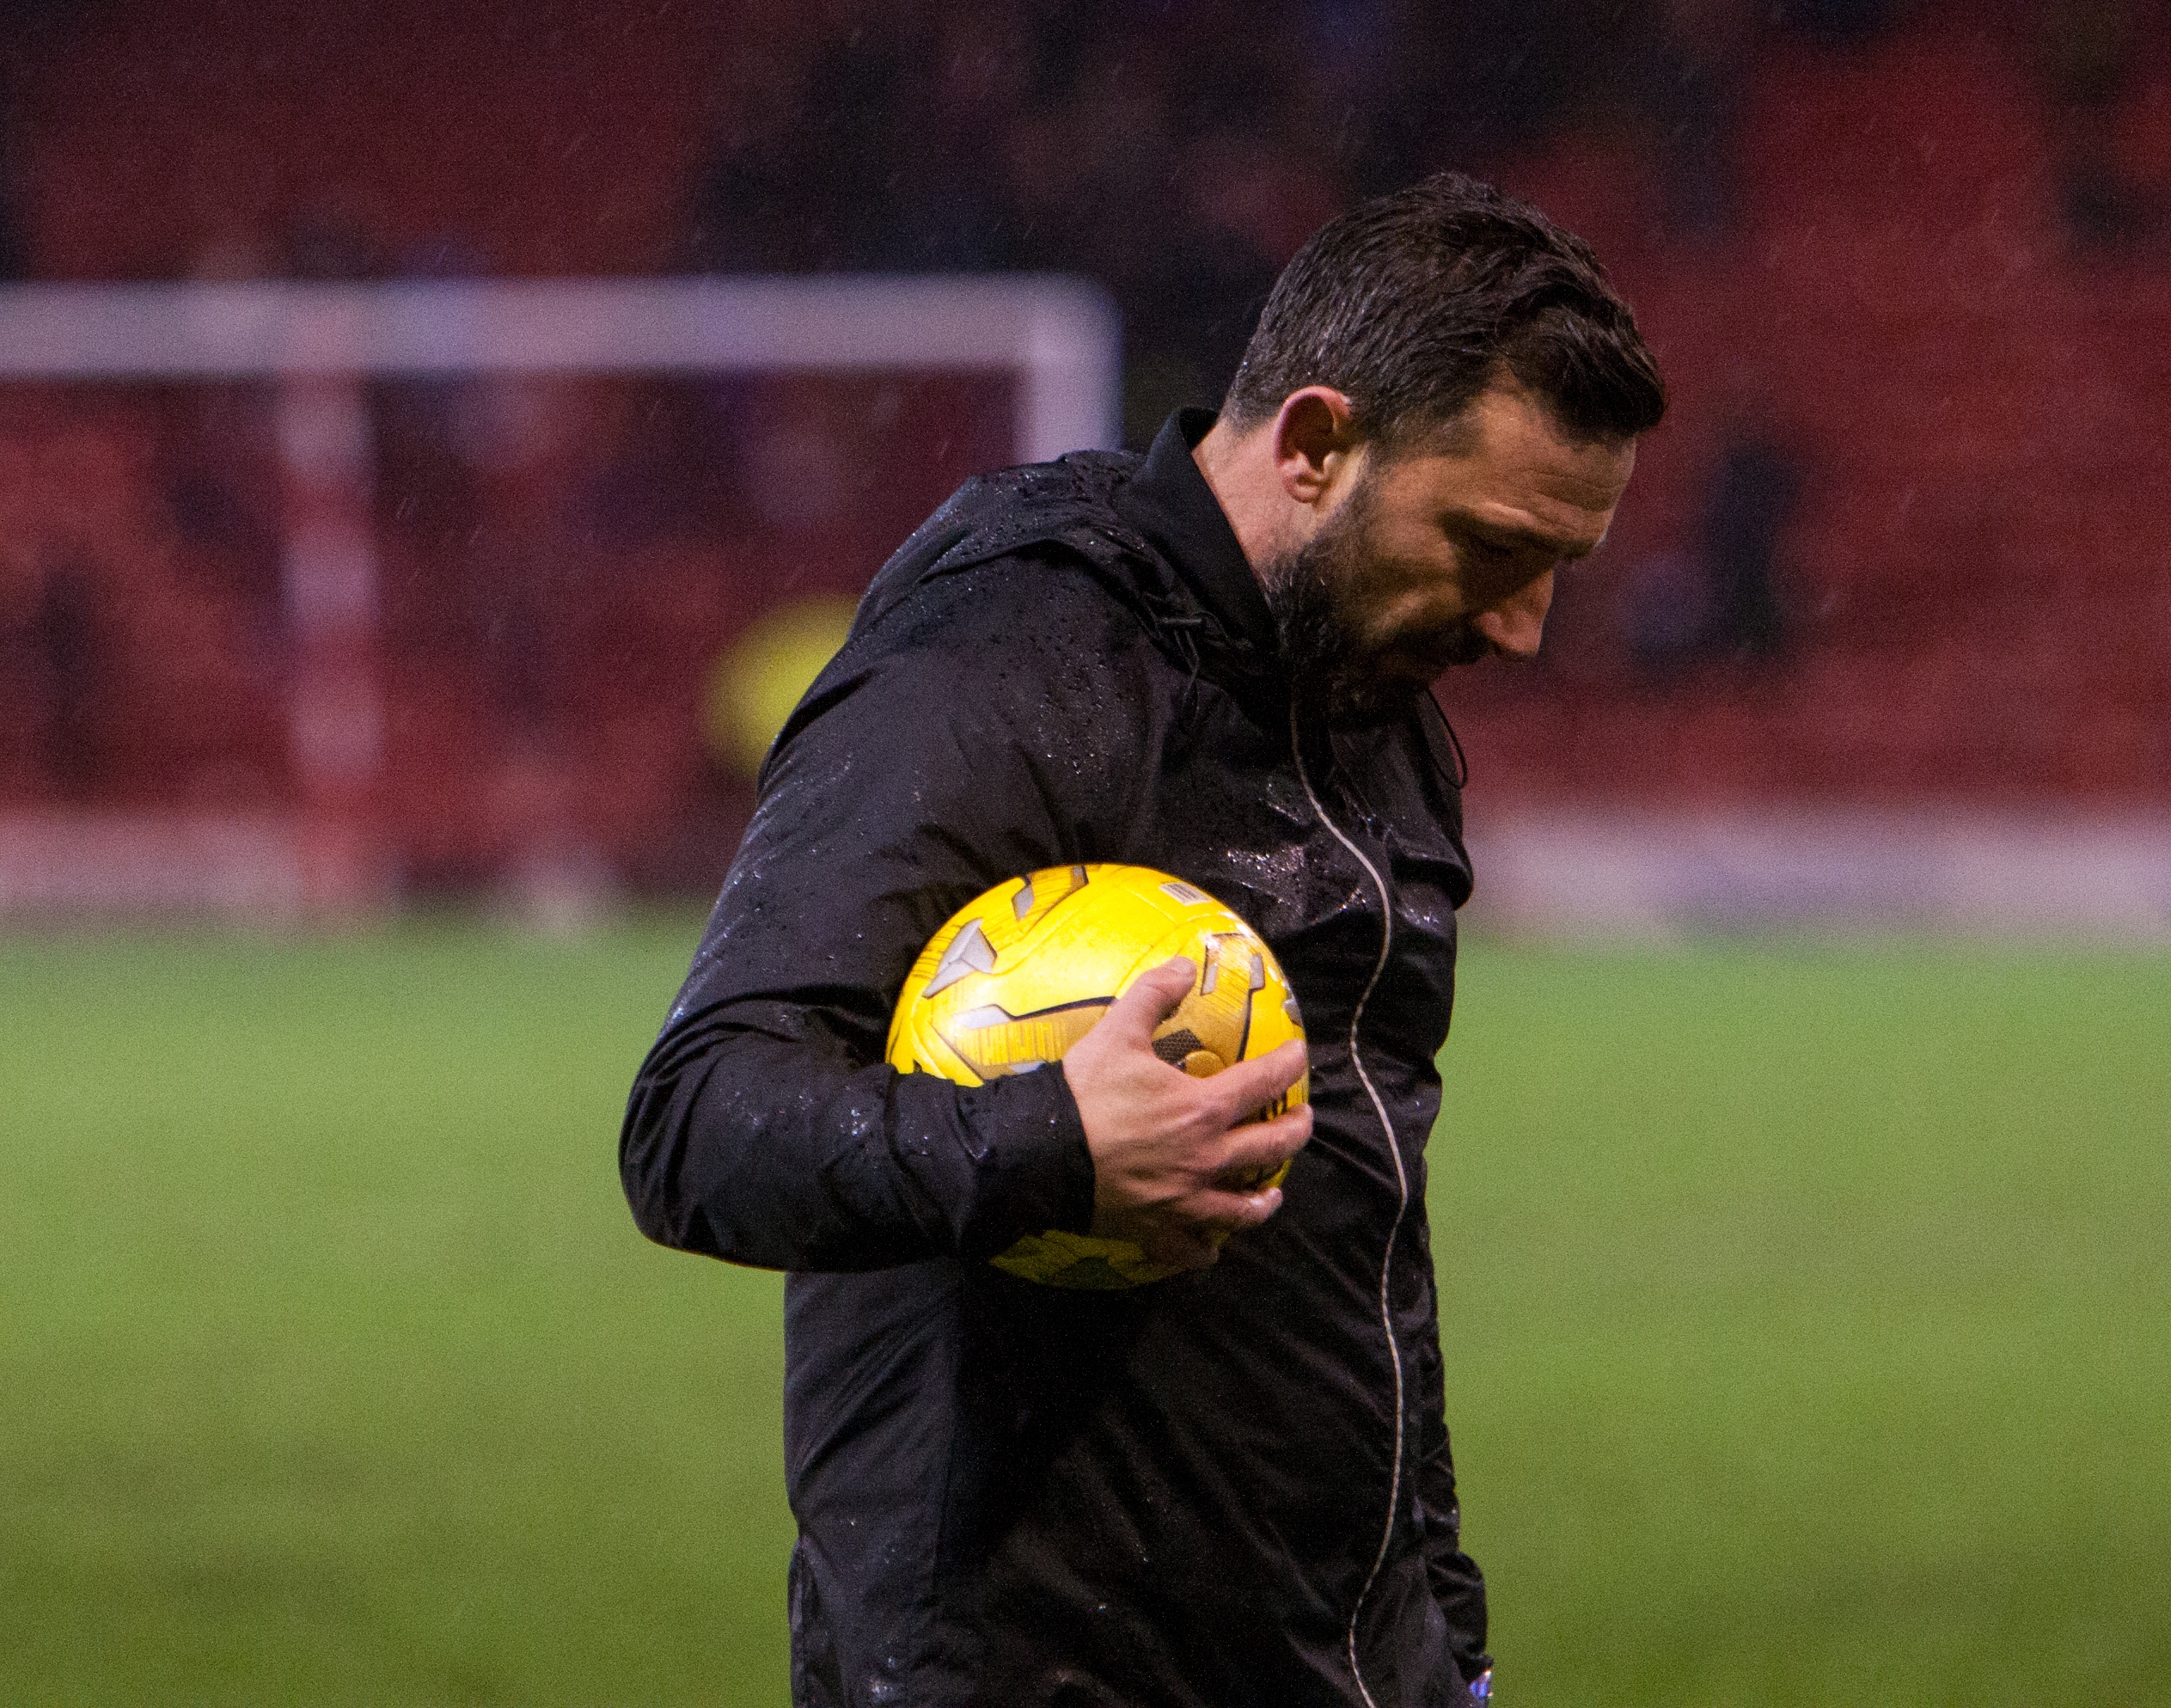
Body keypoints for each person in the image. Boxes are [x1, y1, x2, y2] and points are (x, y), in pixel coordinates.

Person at [621, 173, 1664, 1708]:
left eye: (1557, 570)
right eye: (1492, 546)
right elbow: (697, 1121)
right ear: (1313, 443)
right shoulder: (1007, 659)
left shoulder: (1369, 702)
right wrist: (1043, 1138)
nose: (1520, 627)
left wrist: (1439, 1633)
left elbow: (1363, 1240)